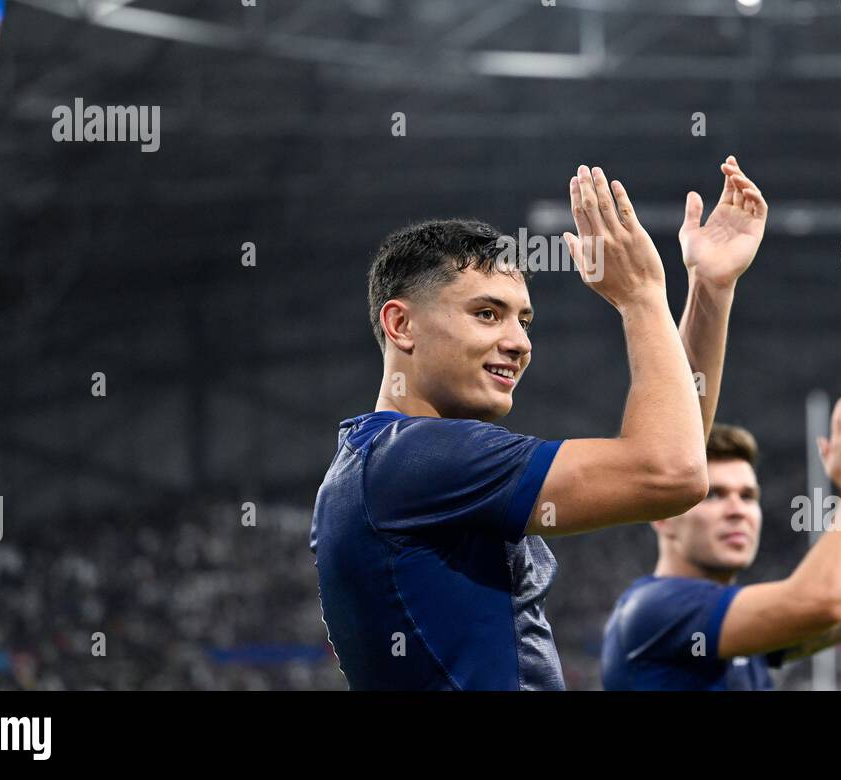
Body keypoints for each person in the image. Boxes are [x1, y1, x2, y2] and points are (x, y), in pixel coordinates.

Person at [310, 158, 767, 689]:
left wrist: (709, 290)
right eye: (487, 313)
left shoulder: (384, 461)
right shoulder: (416, 458)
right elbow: (672, 472)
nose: (520, 342)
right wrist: (640, 295)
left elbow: (676, 454)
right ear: (402, 324)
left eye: (523, 320)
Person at [601, 386, 841, 690]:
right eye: (714, 496)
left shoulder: (733, 627)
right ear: (663, 516)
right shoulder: (655, 610)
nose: (737, 510)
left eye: (748, 496)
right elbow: (823, 602)